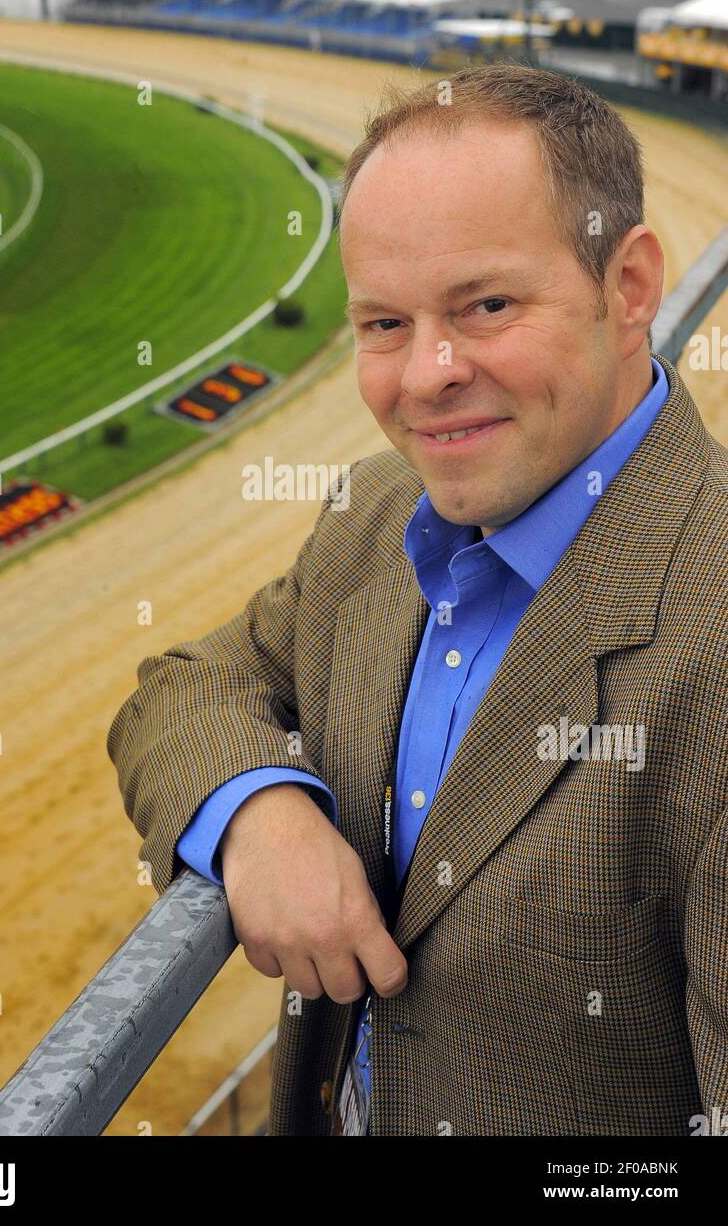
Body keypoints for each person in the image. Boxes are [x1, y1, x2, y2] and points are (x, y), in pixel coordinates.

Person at [108, 65, 728, 1137]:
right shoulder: (378, 510)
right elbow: (185, 687)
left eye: (486, 306)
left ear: (629, 291)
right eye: (386, 324)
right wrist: (257, 815)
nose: (427, 373)